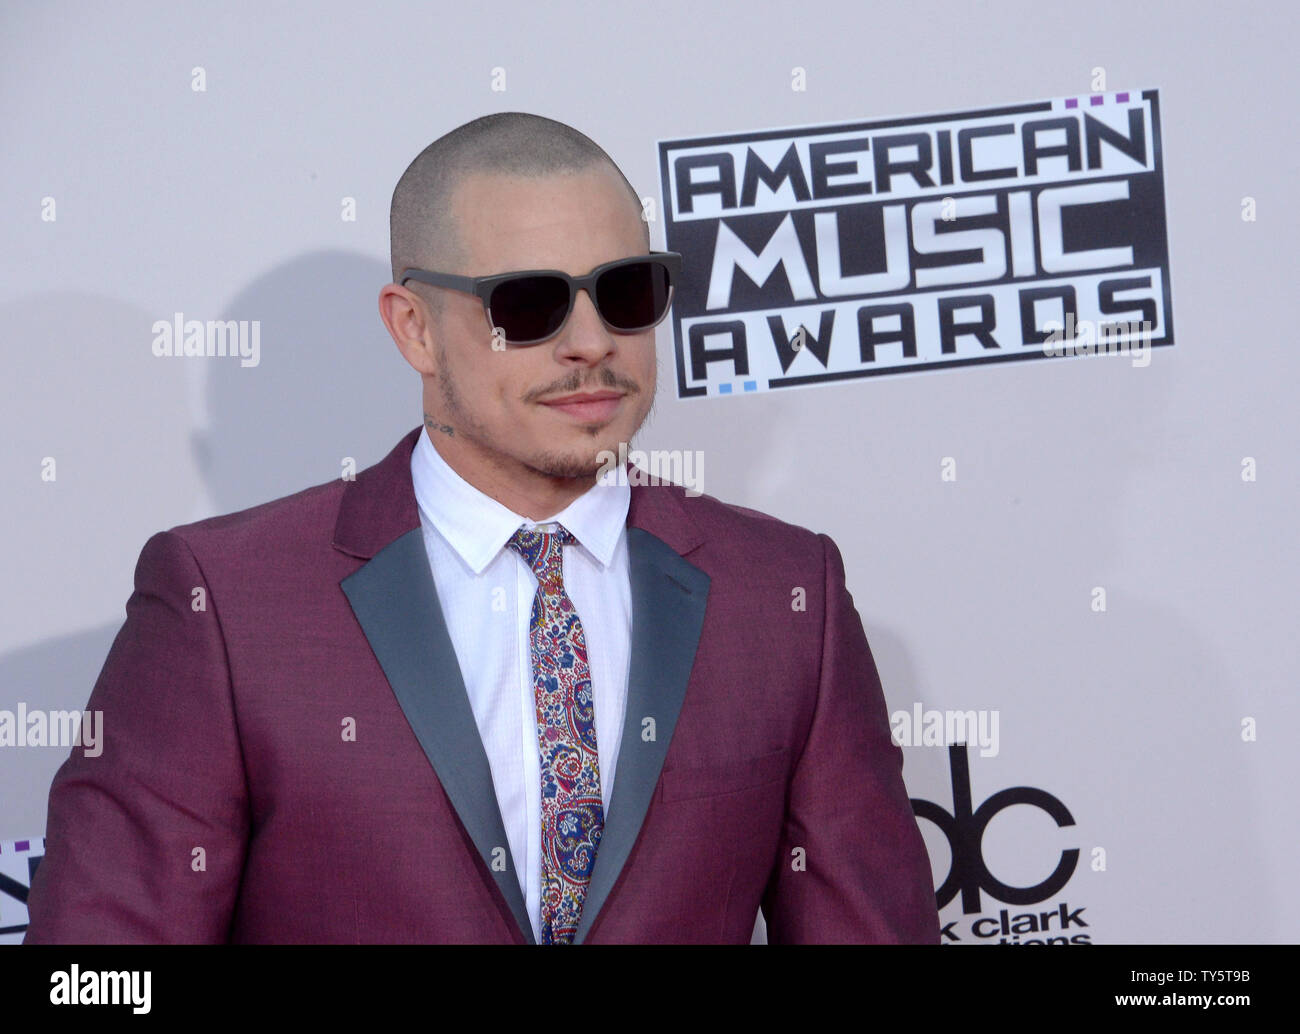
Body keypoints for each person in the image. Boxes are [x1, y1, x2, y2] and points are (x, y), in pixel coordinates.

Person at [24, 112, 939, 944]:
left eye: (625, 293)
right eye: (530, 305)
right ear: (415, 328)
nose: (591, 343)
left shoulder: (783, 593)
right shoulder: (224, 601)